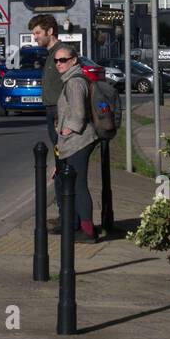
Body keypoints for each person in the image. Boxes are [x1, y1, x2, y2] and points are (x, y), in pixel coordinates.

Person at [50, 42, 99, 242]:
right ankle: (82, 227)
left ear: (74, 60)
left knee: (79, 185)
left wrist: (66, 129)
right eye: (56, 60)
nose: (58, 64)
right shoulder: (71, 79)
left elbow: (78, 115)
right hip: (73, 142)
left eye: (63, 60)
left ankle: (88, 232)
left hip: (79, 141)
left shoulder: (75, 82)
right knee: (75, 184)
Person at [28, 13, 62, 150]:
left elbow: (73, 84)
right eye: (34, 33)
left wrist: (63, 114)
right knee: (57, 147)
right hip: (52, 110)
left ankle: (62, 169)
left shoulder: (62, 53)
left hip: (60, 111)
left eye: (38, 33)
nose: (35, 37)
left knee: (62, 147)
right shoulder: (50, 54)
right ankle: (59, 168)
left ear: (50, 31)